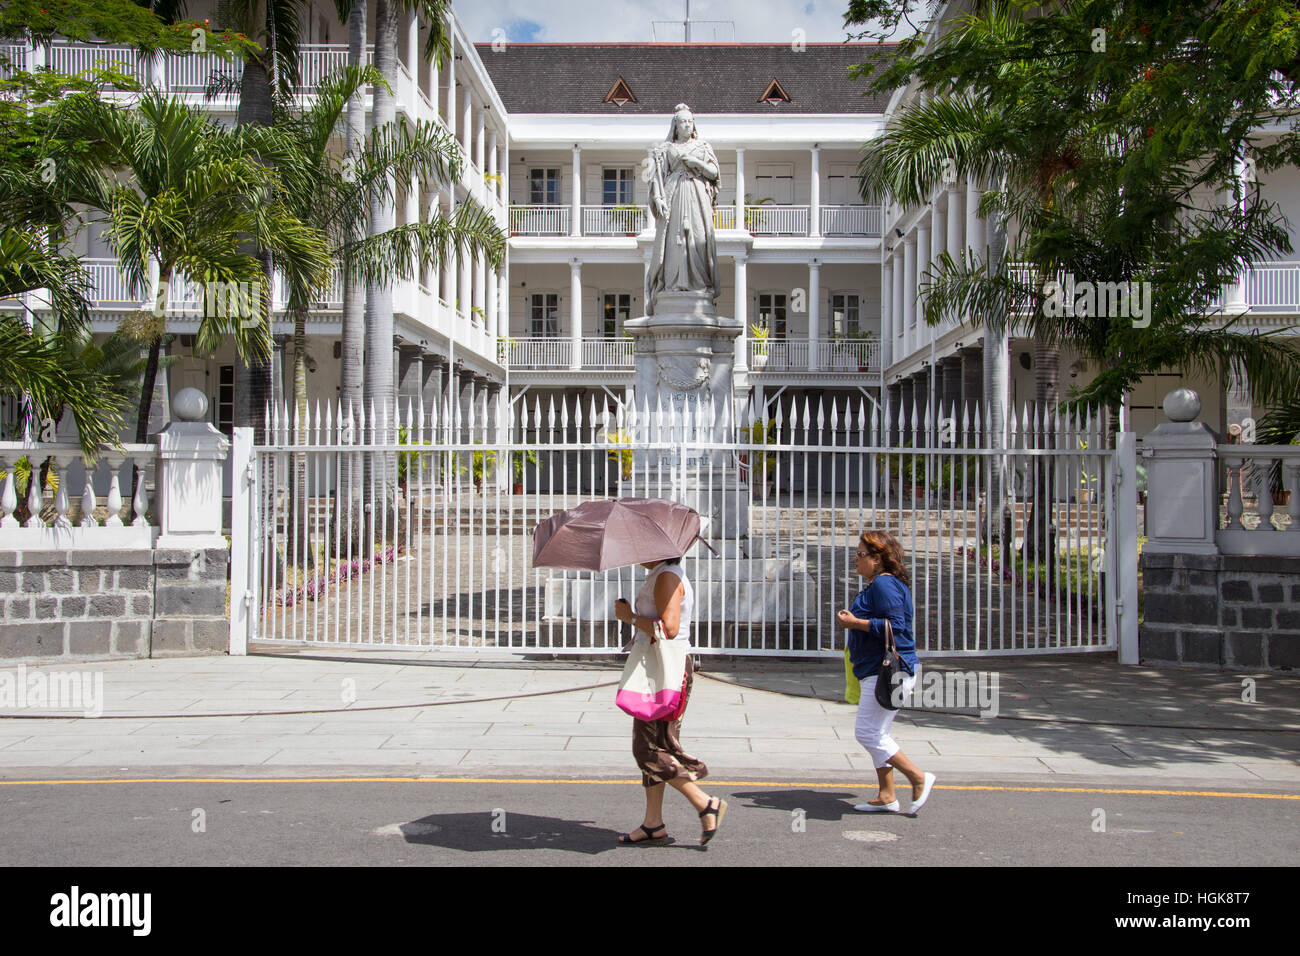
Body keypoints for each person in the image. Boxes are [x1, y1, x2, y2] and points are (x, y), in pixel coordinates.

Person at [613, 557, 727, 845]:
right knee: (658, 744)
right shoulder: (661, 574)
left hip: (667, 672)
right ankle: (653, 823)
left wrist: (630, 618)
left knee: (646, 748)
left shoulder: (667, 577)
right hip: (659, 669)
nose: (637, 554)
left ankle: (704, 802)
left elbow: (669, 629)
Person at [837, 530, 937, 814]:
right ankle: (886, 795)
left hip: (889, 670)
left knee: (867, 733)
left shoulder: (884, 586)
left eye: (861, 555)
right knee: (878, 732)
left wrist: (856, 623)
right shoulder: (879, 584)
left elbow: (898, 628)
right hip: (878, 668)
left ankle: (918, 777)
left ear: (878, 559)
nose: (856, 560)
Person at [645, 104, 720, 312]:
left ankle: (699, 283)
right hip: (673, 195)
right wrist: (658, 198)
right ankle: (673, 284)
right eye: (682, 122)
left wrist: (696, 162)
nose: (687, 125)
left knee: (697, 237)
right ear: (675, 126)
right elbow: (657, 178)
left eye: (689, 121)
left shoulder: (704, 147)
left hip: (696, 195)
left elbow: (714, 173)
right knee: (673, 240)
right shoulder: (666, 149)